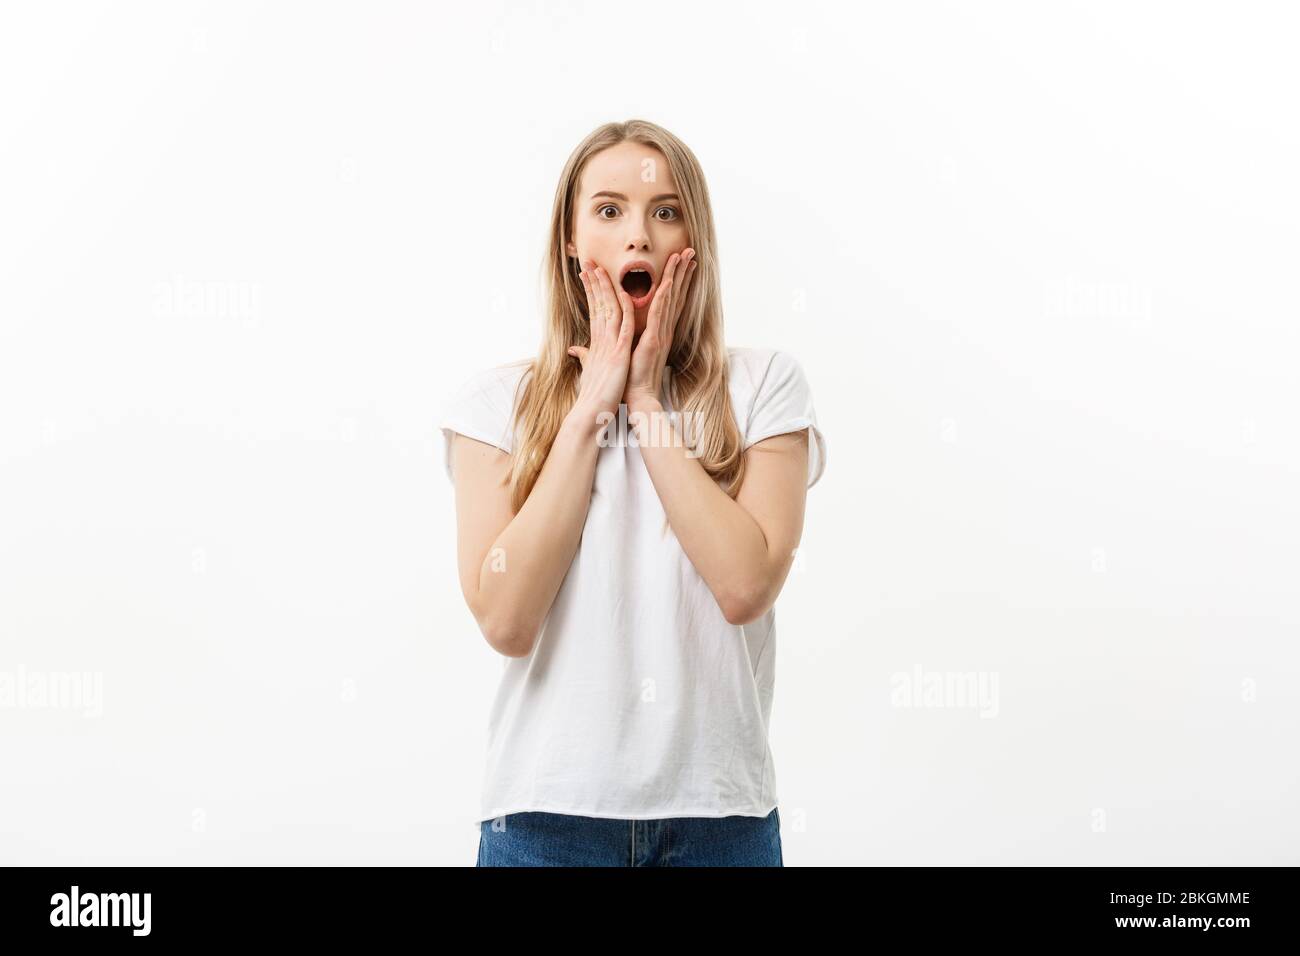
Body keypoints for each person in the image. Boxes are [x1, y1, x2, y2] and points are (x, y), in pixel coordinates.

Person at [438, 119, 826, 866]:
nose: (638, 236)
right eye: (609, 211)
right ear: (572, 246)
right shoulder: (494, 407)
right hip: (546, 822)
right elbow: (508, 620)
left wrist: (646, 404)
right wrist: (591, 409)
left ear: (694, 242)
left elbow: (745, 585)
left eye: (666, 209)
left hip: (721, 821)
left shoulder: (767, 386)